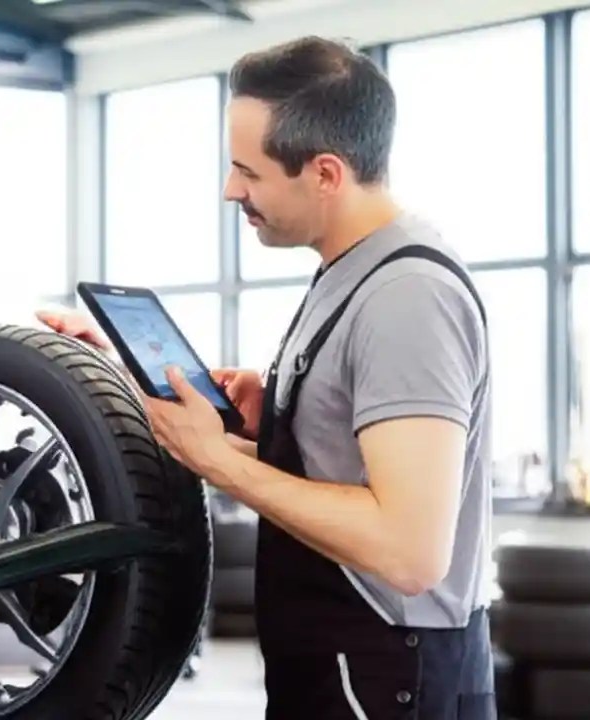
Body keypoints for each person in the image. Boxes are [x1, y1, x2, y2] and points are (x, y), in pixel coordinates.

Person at [40, 36, 495, 719]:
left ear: (326, 174)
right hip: (341, 665)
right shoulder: (350, 273)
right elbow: (347, 478)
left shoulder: (406, 297)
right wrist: (275, 417)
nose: (231, 191)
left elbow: (408, 552)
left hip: (387, 675)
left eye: (247, 172)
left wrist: (219, 462)